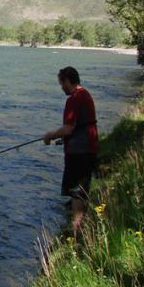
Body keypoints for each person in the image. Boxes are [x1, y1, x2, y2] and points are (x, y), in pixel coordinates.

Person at [43, 66, 98, 239]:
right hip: (88, 148)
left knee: (76, 192)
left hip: (79, 152)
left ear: (68, 81)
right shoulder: (85, 94)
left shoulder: (74, 99)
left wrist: (50, 135)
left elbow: (68, 129)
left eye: (62, 83)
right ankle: (81, 226)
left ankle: (76, 231)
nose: (61, 88)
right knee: (82, 189)